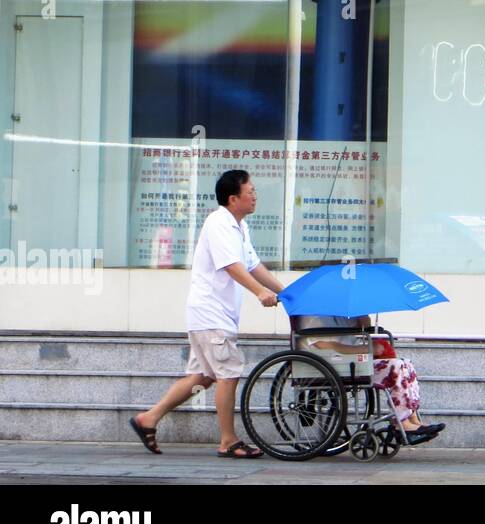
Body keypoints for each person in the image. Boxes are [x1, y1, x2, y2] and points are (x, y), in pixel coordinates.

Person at [130, 170, 283, 458]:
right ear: (233, 198)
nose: (255, 196)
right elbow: (231, 265)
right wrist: (259, 293)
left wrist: (285, 291)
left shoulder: (239, 226)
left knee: (202, 376)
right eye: (250, 191)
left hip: (211, 315)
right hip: (211, 314)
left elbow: (253, 265)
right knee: (228, 374)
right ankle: (228, 440)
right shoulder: (219, 222)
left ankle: (148, 418)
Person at [300, 314, 446, 443]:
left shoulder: (345, 310)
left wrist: (363, 316)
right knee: (396, 366)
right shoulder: (315, 314)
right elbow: (320, 344)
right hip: (331, 364)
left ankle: (412, 418)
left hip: (351, 362)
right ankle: (401, 422)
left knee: (406, 364)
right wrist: (364, 349)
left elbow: (364, 328)